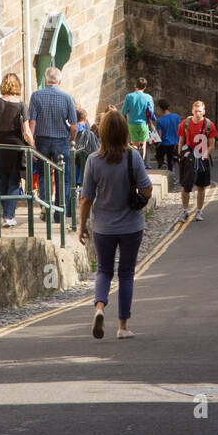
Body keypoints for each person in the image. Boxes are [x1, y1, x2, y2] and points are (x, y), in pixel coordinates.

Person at [79, 108, 153, 339]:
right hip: (131, 225)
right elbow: (148, 189)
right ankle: (122, 327)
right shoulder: (133, 157)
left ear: (102, 133)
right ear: (124, 132)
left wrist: (82, 225)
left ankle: (100, 308)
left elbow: (86, 198)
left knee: (103, 270)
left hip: (103, 226)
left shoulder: (93, 161)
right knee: (127, 274)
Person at [27, 67, 77, 222]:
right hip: (61, 140)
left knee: (43, 175)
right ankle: (59, 213)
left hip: (41, 139)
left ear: (46, 80)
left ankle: (45, 207)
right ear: (59, 81)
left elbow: (32, 122)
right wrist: (70, 139)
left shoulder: (36, 96)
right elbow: (74, 126)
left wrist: (32, 143)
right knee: (65, 178)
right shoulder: (67, 98)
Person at [0, 73, 35, 228]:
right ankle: (8, 216)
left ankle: (5, 214)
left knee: (1, 181)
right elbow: (27, 131)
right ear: (17, 86)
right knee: (14, 182)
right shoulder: (22, 105)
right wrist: (33, 146)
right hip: (16, 147)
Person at [177, 100, 218, 221]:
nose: (198, 114)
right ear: (192, 111)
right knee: (186, 186)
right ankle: (185, 211)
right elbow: (180, 141)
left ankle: (199, 212)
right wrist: (180, 156)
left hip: (202, 159)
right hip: (188, 159)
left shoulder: (209, 125)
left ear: (204, 111)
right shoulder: (185, 124)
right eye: (196, 111)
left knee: (201, 187)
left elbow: (212, 145)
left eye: (200, 111)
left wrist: (203, 155)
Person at [121, 77, 156, 163]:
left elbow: (123, 111)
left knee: (134, 145)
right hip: (143, 124)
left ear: (135, 85)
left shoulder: (129, 96)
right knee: (143, 144)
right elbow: (151, 111)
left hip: (132, 124)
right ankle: (141, 165)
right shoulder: (148, 97)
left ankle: (134, 162)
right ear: (145, 87)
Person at [154, 98, 181, 182]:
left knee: (159, 155)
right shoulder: (176, 117)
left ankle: (162, 164)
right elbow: (180, 129)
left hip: (164, 143)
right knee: (172, 161)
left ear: (160, 108)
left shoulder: (160, 121)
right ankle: (173, 177)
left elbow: (159, 135)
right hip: (175, 143)